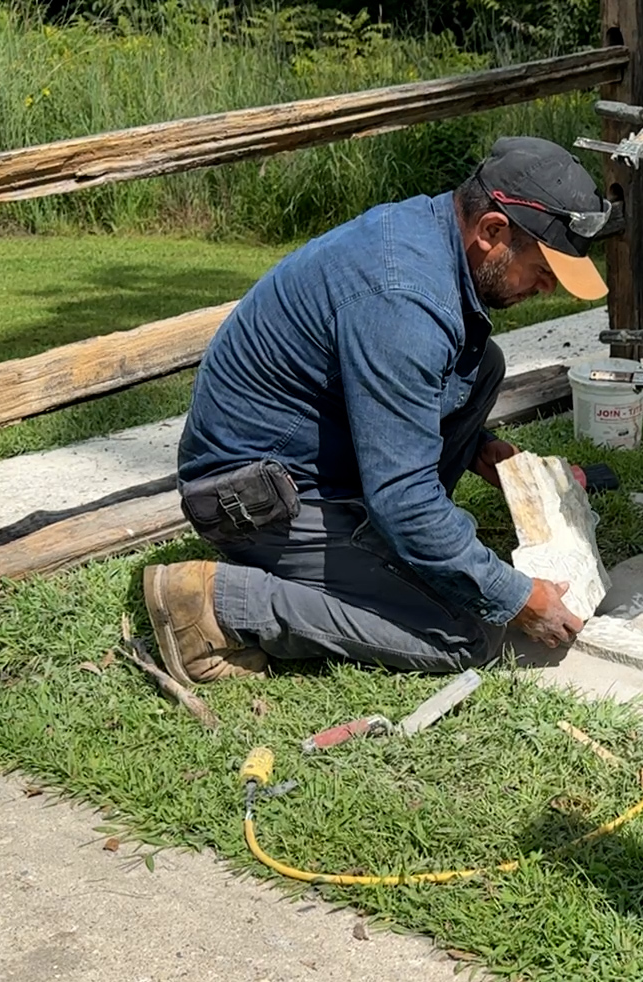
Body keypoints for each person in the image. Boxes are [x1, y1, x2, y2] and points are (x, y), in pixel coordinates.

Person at [143, 136, 612, 685]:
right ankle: (219, 605)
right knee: (467, 630)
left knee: (484, 365)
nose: (549, 287)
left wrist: (477, 445)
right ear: (491, 232)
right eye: (543, 268)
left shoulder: (430, 234)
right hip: (252, 500)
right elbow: (404, 499)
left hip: (298, 464)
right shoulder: (403, 302)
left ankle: (384, 555)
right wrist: (515, 596)